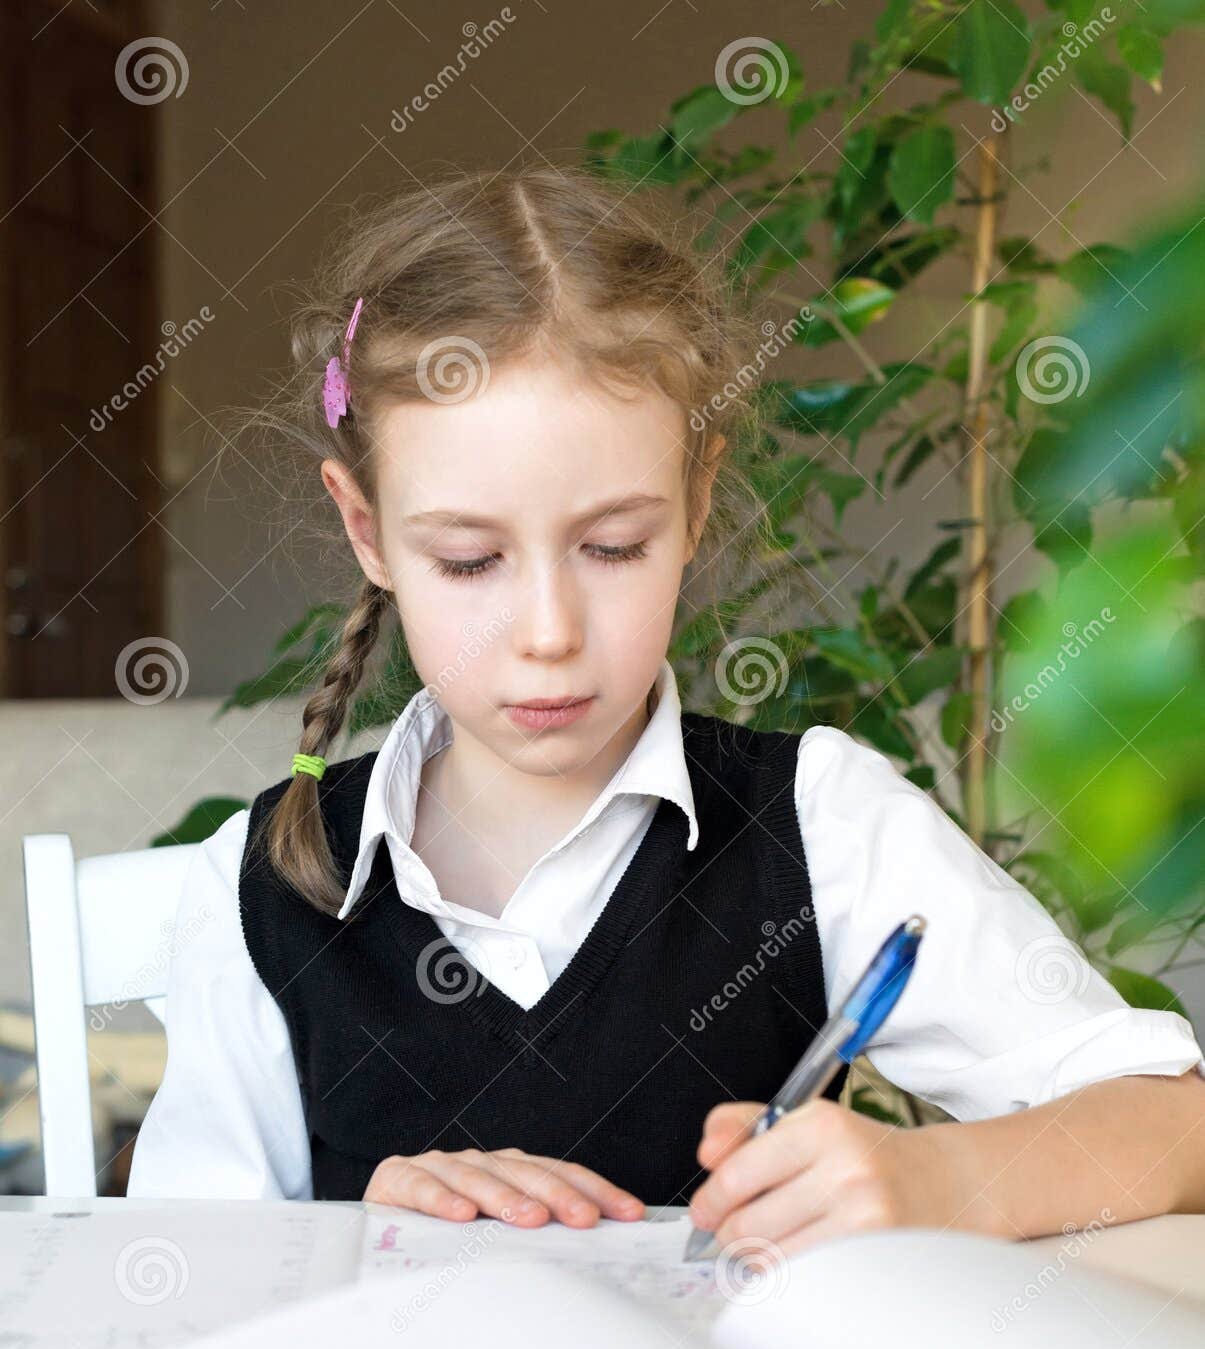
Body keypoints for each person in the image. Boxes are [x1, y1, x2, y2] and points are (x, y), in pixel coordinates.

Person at [127, 163, 1205, 1258]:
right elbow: (181, 1297)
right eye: (468, 559)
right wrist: (349, 1237)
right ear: (367, 533)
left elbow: (1175, 1123)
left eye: (611, 547)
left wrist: (936, 1175)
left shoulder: (820, 824)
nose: (547, 629)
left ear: (695, 505)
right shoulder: (255, 886)